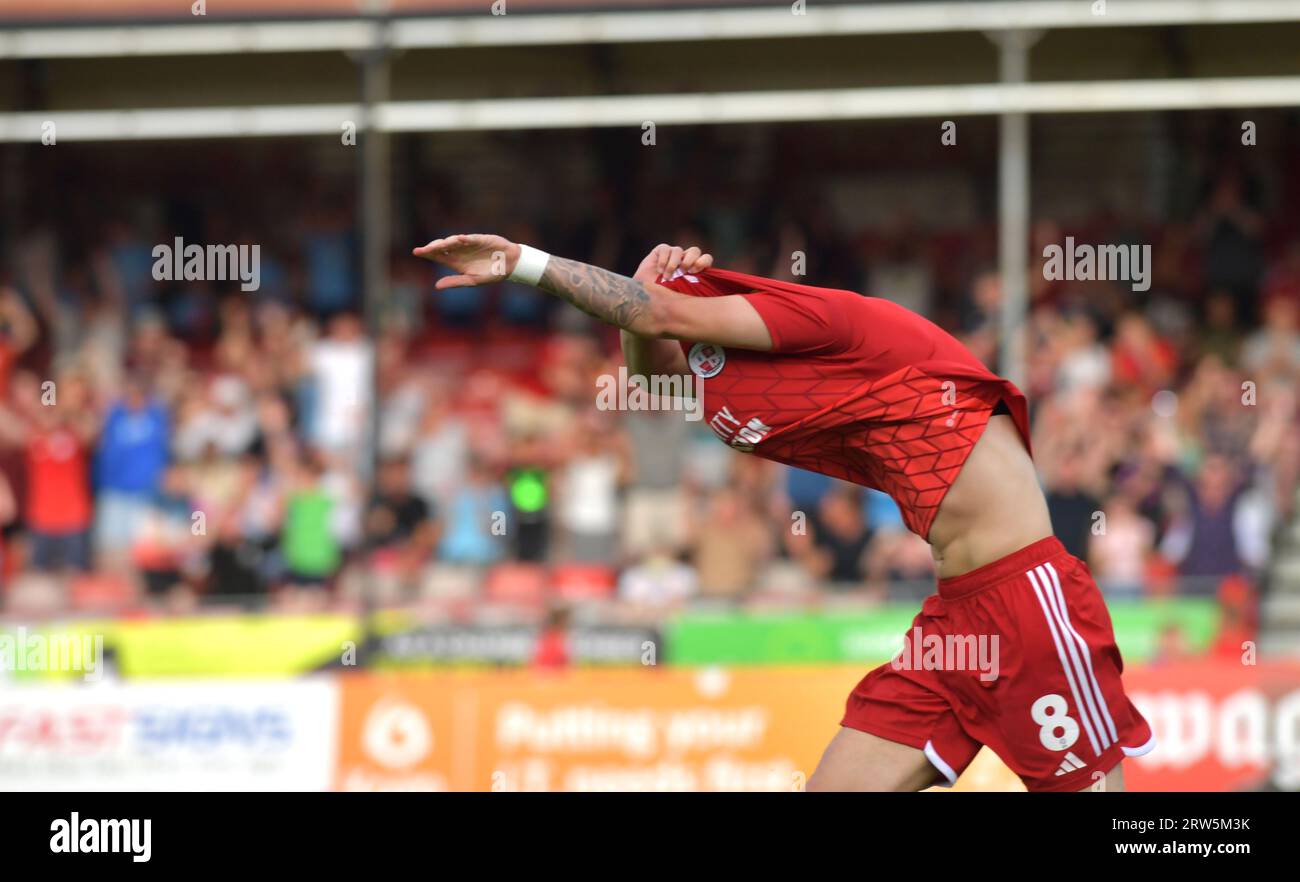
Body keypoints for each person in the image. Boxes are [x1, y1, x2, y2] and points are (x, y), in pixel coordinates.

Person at [414, 233, 1155, 793]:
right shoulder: (757, 384)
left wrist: (523, 263)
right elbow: (658, 381)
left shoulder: (829, 323)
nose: (684, 344)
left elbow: (660, 312)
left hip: (1026, 601)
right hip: (955, 620)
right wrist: (640, 316)